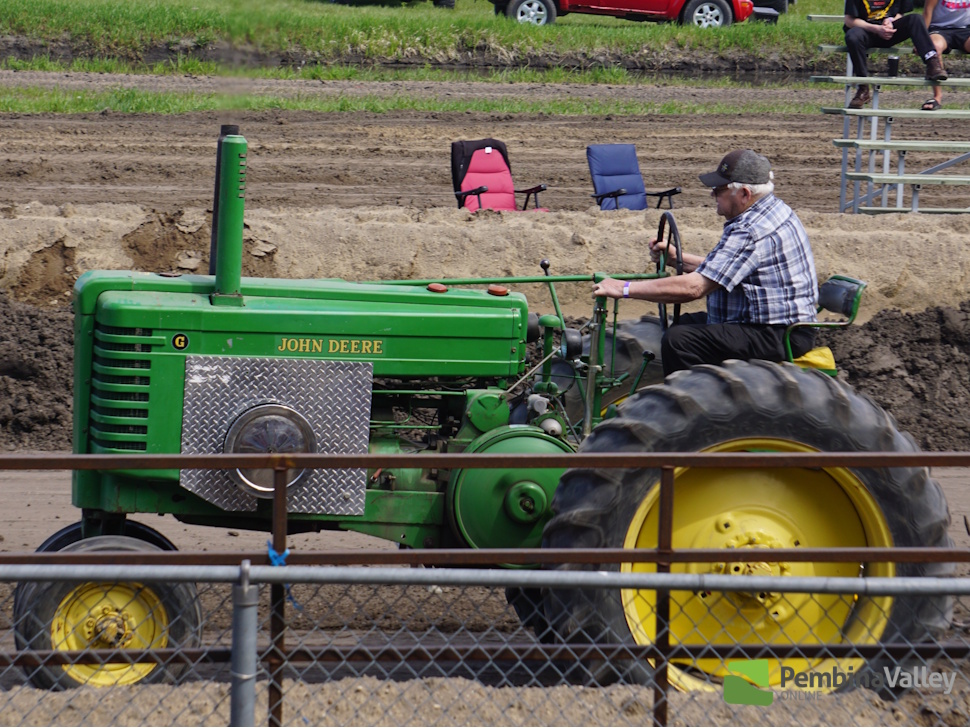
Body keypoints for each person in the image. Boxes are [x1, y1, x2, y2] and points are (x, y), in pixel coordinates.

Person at [591, 150, 819, 376]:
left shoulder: (751, 230)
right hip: (767, 319)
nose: (712, 195)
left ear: (744, 194)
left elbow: (694, 288)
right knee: (682, 325)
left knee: (679, 341)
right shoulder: (768, 210)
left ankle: (691, 407)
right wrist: (676, 259)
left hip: (777, 332)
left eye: (719, 190)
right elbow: (727, 268)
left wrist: (624, 288)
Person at [843, 0, 948, 109]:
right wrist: (876, 29)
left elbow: (900, 13)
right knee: (852, 37)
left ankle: (932, 62)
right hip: (865, 30)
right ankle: (863, 88)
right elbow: (849, 20)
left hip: (889, 30)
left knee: (916, 19)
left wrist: (891, 22)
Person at [922, 0, 970, 110]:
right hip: (939, 29)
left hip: (965, 29)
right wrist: (921, 40)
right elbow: (927, 12)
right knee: (934, 47)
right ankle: (937, 97)